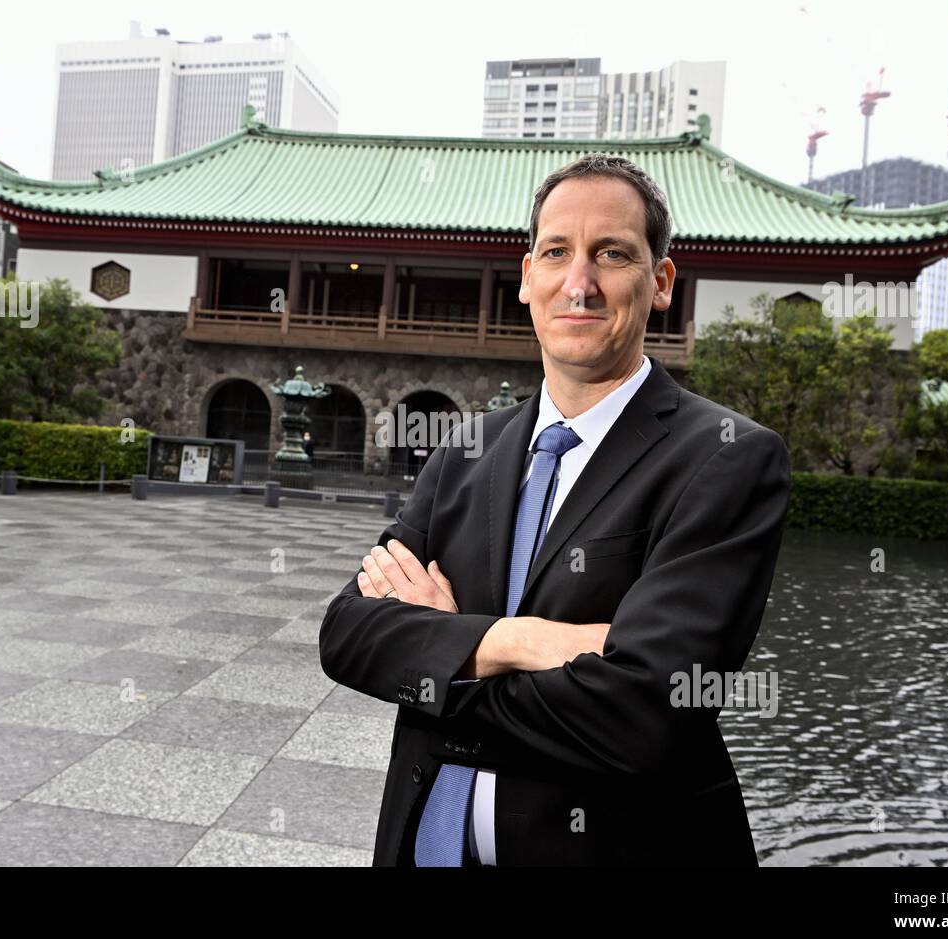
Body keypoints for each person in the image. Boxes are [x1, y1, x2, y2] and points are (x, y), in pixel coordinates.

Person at [318, 153, 792, 867]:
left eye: (612, 254)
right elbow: (349, 634)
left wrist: (443, 656)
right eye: (557, 253)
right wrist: (520, 641)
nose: (580, 283)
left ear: (659, 281)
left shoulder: (726, 458)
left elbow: (643, 715)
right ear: (527, 276)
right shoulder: (466, 447)